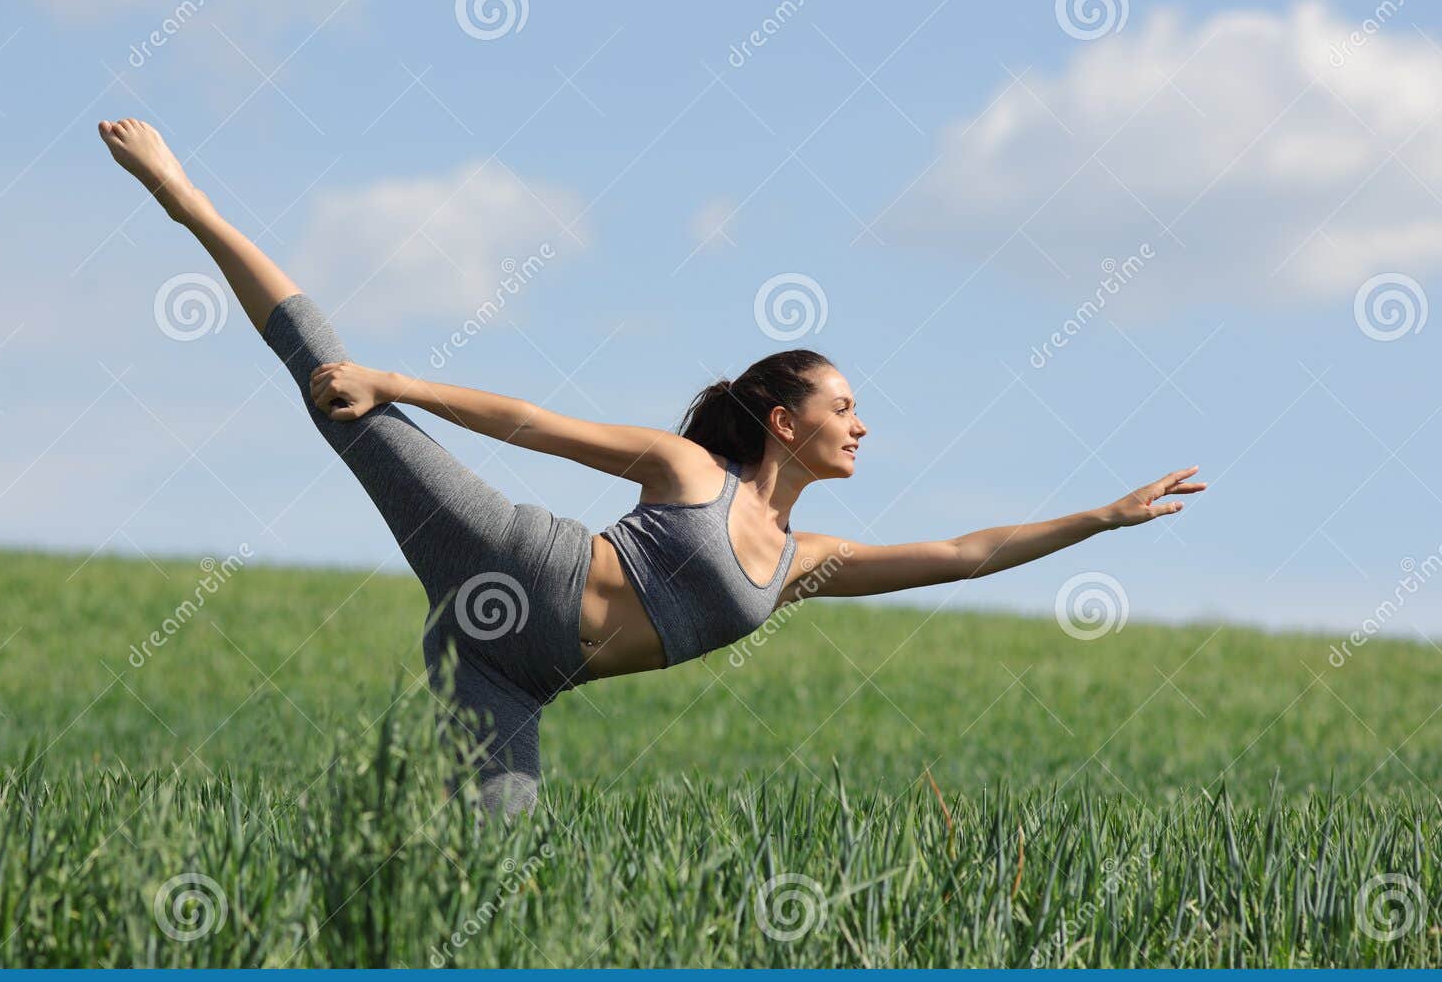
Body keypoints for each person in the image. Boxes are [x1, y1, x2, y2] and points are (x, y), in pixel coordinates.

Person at [98, 117, 1207, 817]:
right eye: (844, 407)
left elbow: (965, 554)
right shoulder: (686, 472)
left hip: (507, 677)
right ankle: (183, 194)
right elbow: (532, 422)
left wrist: (1102, 518)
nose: (862, 427)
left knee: (485, 877)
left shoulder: (802, 564)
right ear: (781, 421)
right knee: (333, 388)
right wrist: (401, 383)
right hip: (510, 557)